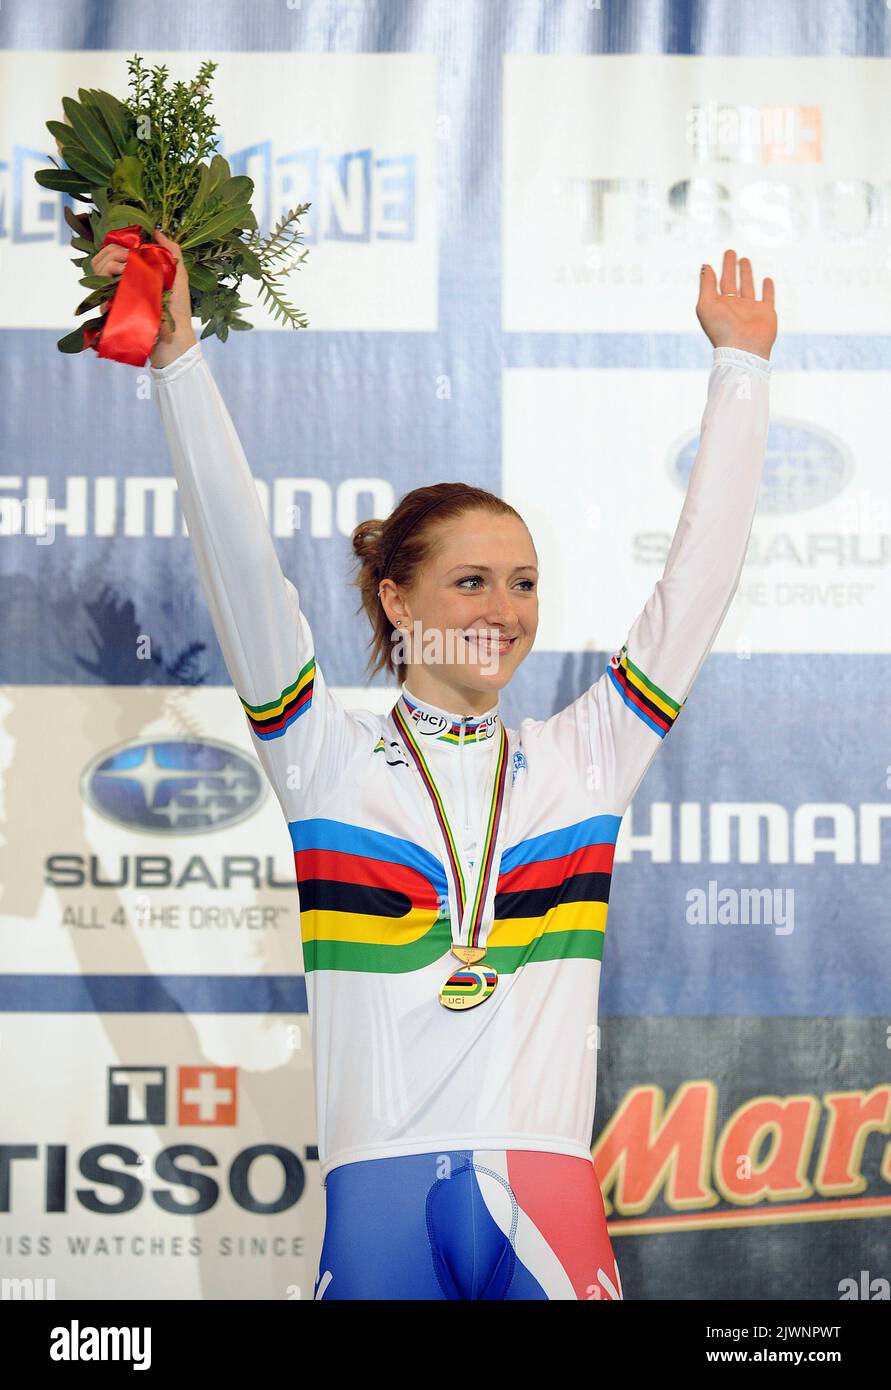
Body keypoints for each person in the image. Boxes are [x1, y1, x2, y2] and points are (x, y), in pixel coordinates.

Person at [92, 232, 776, 1300]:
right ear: (399, 603)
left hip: (544, 1190)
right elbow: (240, 566)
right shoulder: (324, 755)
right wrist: (180, 367)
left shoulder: (585, 759)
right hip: (377, 1204)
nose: (504, 612)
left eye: (524, 583)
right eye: (471, 582)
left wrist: (742, 372)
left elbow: (698, 584)